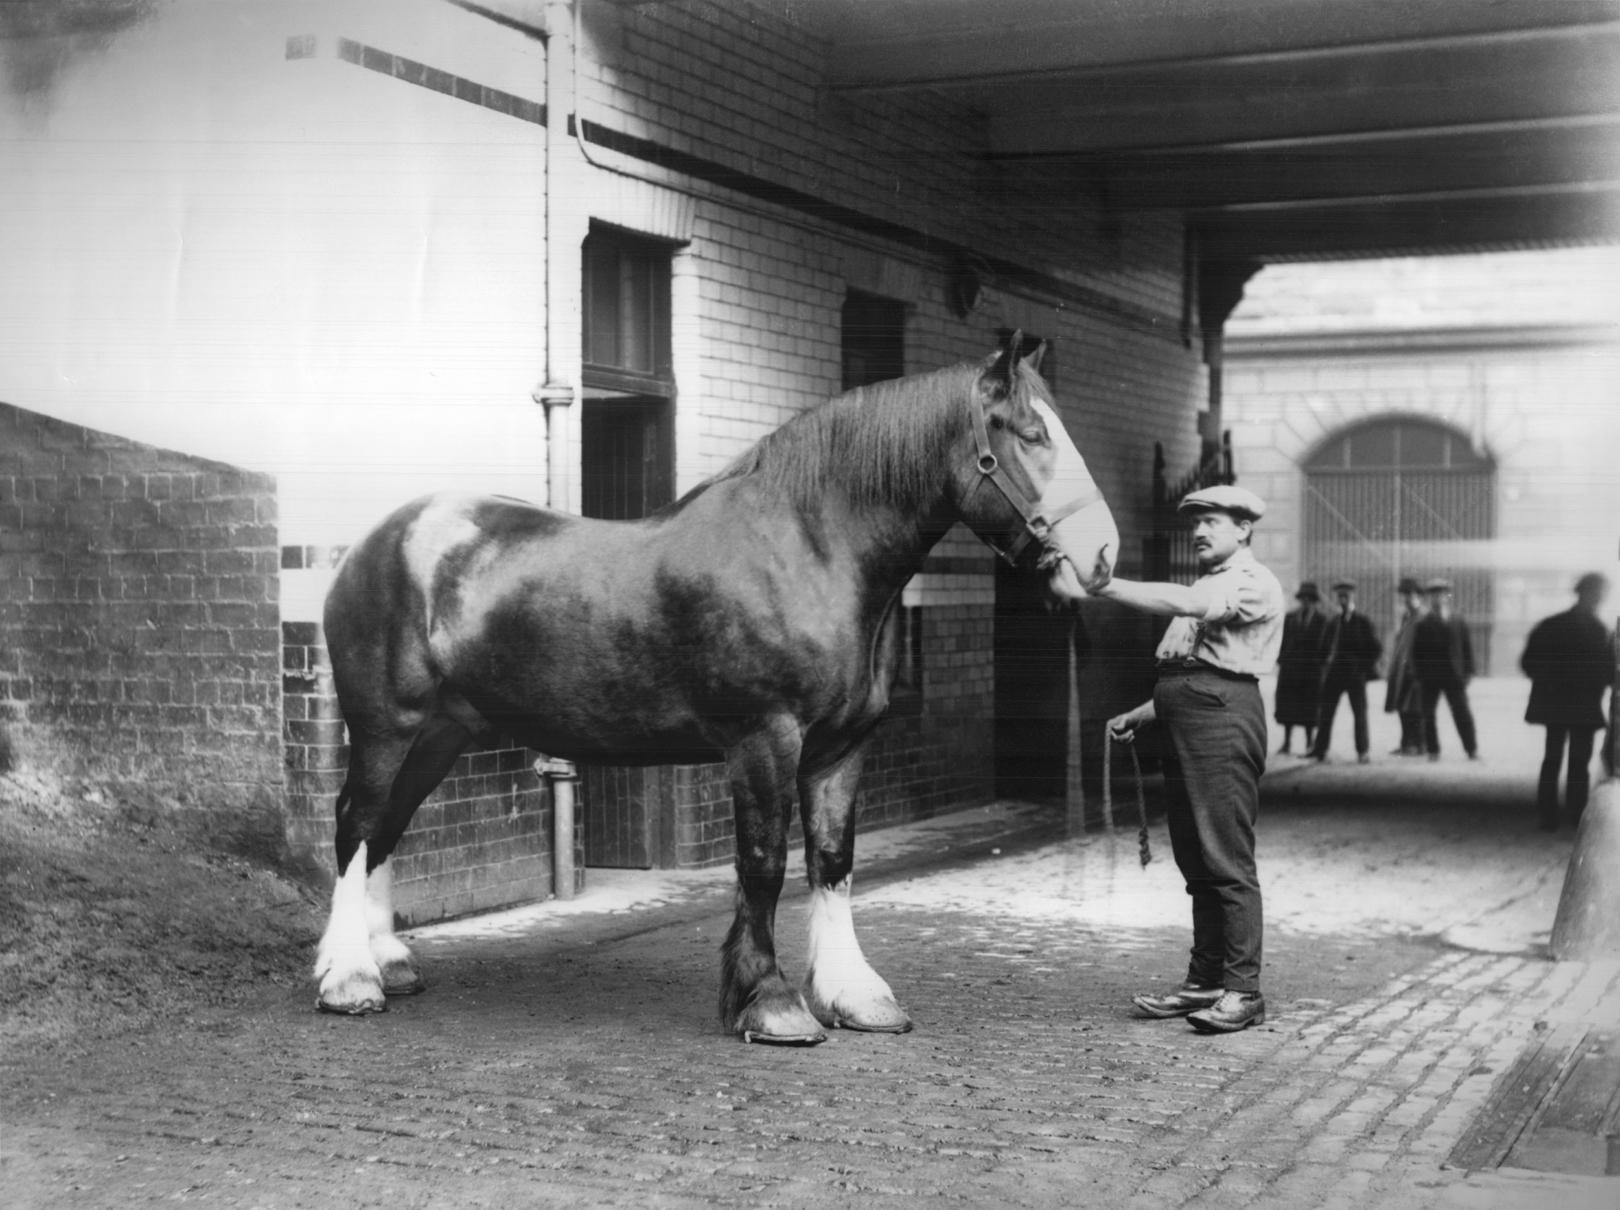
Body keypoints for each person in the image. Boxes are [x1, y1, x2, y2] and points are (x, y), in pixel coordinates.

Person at [1099, 484, 1284, 1035]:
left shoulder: (1252, 581)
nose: (1200, 532)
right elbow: (1191, 669)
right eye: (1196, 523)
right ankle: (1206, 981)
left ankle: (1243, 990)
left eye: (1213, 522)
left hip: (1222, 719)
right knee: (1197, 859)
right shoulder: (1211, 580)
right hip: (1192, 716)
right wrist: (1142, 712)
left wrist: (1107, 586)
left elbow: (1206, 652)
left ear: (1244, 529)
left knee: (1226, 858)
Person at [1521, 573, 1613, 830]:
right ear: (1586, 595)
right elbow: (1609, 673)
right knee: (1578, 763)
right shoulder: (1600, 632)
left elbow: (1528, 663)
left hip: (1557, 706)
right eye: (1595, 595)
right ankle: (1575, 815)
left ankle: (1549, 815)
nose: (1597, 601)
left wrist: (1549, 683)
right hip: (1582, 707)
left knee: (1553, 760)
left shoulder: (1552, 625)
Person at [1309, 579, 1383, 764]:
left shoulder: (1362, 621)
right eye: (1340, 596)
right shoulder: (1333, 622)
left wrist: (1363, 667)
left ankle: (1363, 751)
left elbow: (1376, 648)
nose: (1343, 599)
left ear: (1352, 597)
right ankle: (1320, 750)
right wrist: (1325, 665)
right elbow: (1322, 648)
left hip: (1355, 675)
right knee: (1326, 713)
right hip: (1335, 674)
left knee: (1359, 713)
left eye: (1346, 596)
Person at [1411, 577, 1478, 761]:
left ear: (1447, 596)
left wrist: (1468, 672)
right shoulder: (1423, 623)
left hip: (1454, 676)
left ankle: (1471, 749)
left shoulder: (1458, 620)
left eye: (1441, 594)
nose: (1437, 598)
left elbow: (1466, 648)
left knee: (1462, 712)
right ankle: (1433, 750)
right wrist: (1419, 676)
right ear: (1429, 598)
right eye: (1433, 595)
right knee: (1428, 715)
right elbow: (1416, 653)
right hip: (1430, 678)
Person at [1274, 581, 1329, 755]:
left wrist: (1320, 663)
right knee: (1288, 706)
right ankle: (1287, 742)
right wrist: (1282, 660)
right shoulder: (1290, 617)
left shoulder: (1322, 620)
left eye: (1309, 598)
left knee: (1309, 707)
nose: (1306, 601)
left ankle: (1309, 742)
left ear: (1314, 600)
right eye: (1303, 598)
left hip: (1310, 671)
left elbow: (1326, 646)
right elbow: (1282, 641)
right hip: (1291, 669)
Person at [1384, 577, 1428, 756]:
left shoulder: (1423, 616)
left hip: (1416, 669)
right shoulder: (1407, 615)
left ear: (1416, 595)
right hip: (1402, 669)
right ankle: (1406, 743)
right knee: (1402, 706)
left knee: (1416, 709)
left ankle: (1419, 745)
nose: (1405, 599)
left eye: (1408, 595)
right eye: (1403, 596)